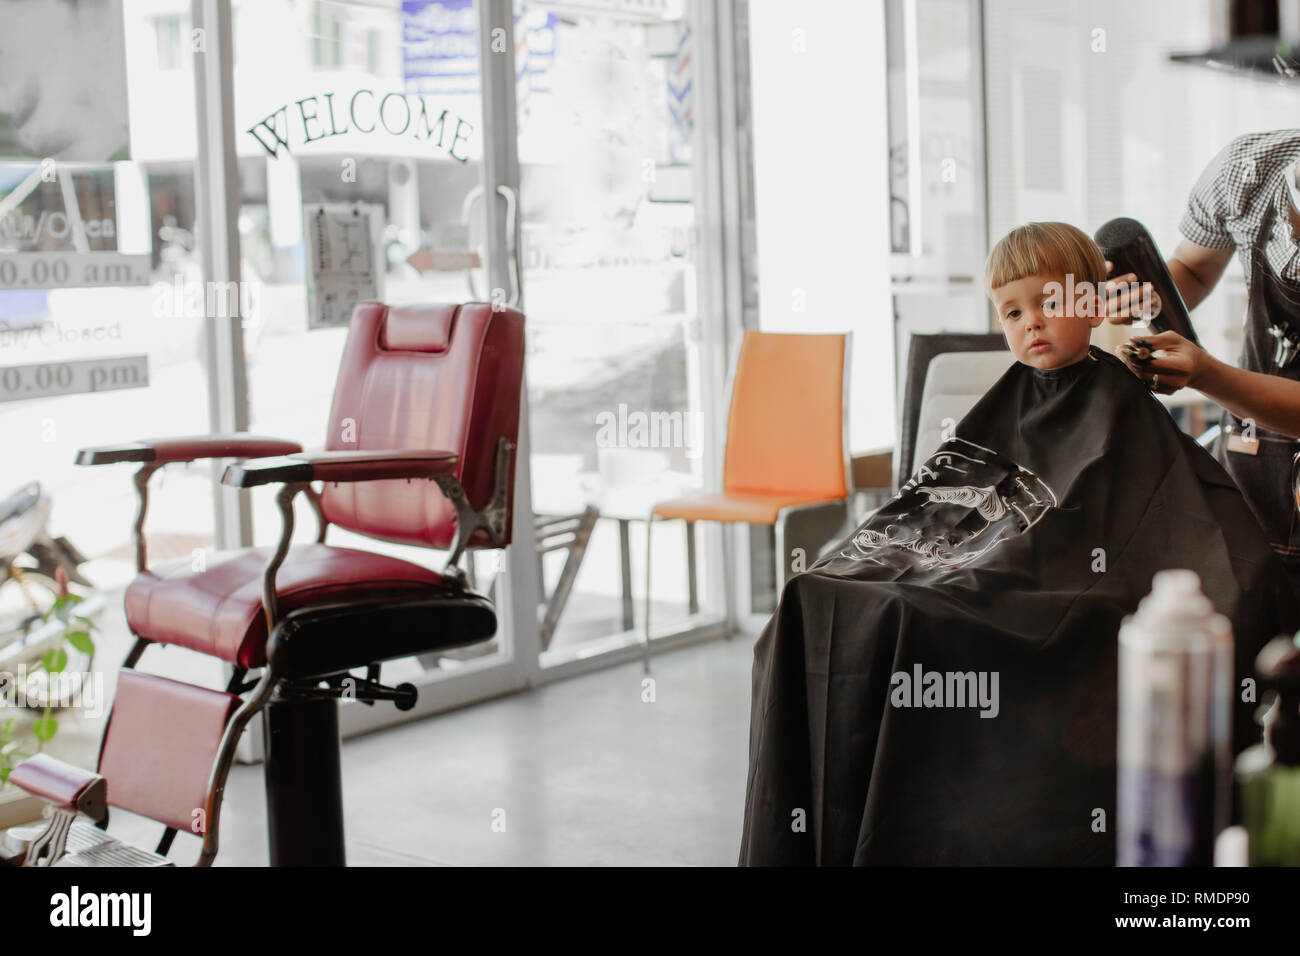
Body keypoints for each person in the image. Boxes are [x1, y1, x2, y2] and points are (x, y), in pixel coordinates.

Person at [1107, 130, 1300, 590]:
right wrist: (1146, 302)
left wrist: (1207, 374)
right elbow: (1192, 269)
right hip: (1250, 460)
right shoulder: (1248, 172)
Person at [987, 221, 1107, 371]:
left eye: (1050, 305)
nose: (1031, 323)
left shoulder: (1117, 388)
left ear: (1092, 310)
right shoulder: (1010, 388)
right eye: (1014, 313)